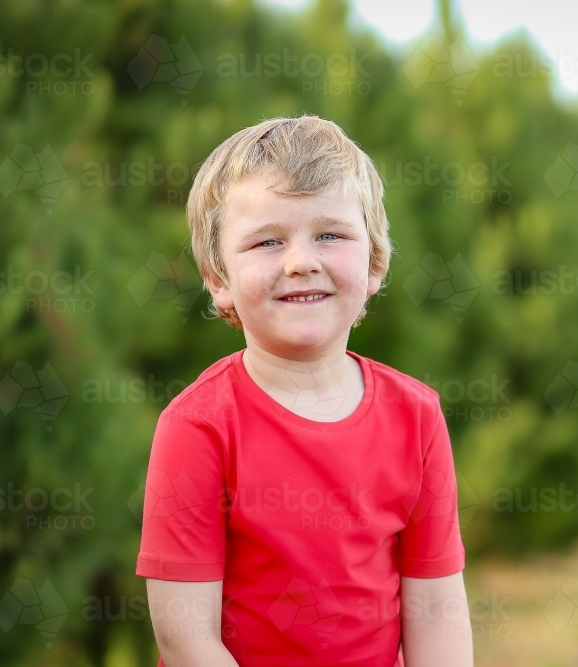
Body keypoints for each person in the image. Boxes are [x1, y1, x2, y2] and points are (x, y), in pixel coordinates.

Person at [136, 115, 472, 667]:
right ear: (219, 279)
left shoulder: (416, 415)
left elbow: (436, 606)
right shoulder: (197, 426)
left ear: (374, 264)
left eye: (331, 235)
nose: (301, 262)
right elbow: (184, 635)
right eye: (267, 241)